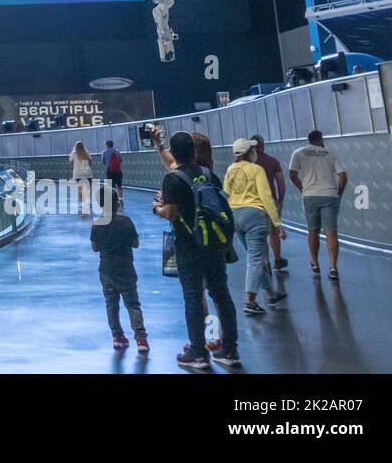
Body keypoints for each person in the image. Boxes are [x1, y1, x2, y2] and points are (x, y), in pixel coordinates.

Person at [152, 131, 240, 369]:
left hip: (189, 247)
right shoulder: (208, 174)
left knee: (192, 296)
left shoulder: (172, 179)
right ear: (193, 151)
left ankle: (198, 352)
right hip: (214, 244)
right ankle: (229, 350)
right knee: (221, 294)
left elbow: (170, 213)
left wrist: (157, 208)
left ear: (175, 151)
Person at [225, 138, 288, 315]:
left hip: (235, 215)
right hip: (254, 216)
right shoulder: (256, 169)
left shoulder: (230, 170)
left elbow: (226, 194)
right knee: (255, 259)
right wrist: (277, 223)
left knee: (254, 256)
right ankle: (250, 301)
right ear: (248, 152)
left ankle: (271, 293)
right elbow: (266, 197)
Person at [91, 187, 149, 352]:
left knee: (111, 303)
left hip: (106, 269)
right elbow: (135, 244)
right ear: (117, 203)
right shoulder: (126, 221)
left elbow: (95, 248)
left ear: (101, 205)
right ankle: (141, 339)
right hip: (126, 268)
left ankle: (117, 337)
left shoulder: (97, 224)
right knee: (132, 304)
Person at [289, 129, 347, 281]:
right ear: (320, 139)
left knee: (313, 231)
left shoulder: (299, 153)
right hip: (329, 195)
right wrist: (338, 192)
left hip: (310, 196)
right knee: (331, 232)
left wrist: (303, 188)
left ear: (309, 140)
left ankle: (314, 263)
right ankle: (333, 267)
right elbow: (343, 176)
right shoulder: (330, 153)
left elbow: (292, 174)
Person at [250, 134, 288, 270]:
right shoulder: (272, 161)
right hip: (270, 201)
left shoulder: (248, 164)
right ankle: (277, 259)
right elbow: (281, 183)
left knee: (261, 233)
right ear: (263, 145)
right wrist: (280, 200)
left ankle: (265, 262)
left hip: (253, 203)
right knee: (273, 232)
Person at [69, 141, 93, 214]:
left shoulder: (73, 153)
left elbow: (71, 162)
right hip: (87, 173)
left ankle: (83, 202)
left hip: (77, 174)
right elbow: (90, 162)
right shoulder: (86, 153)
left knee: (80, 189)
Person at [102, 139, 123, 206]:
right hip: (118, 170)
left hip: (109, 170)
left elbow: (103, 162)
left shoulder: (104, 152)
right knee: (119, 186)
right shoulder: (117, 152)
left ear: (107, 145)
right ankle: (120, 199)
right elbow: (120, 160)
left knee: (111, 186)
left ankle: (114, 199)